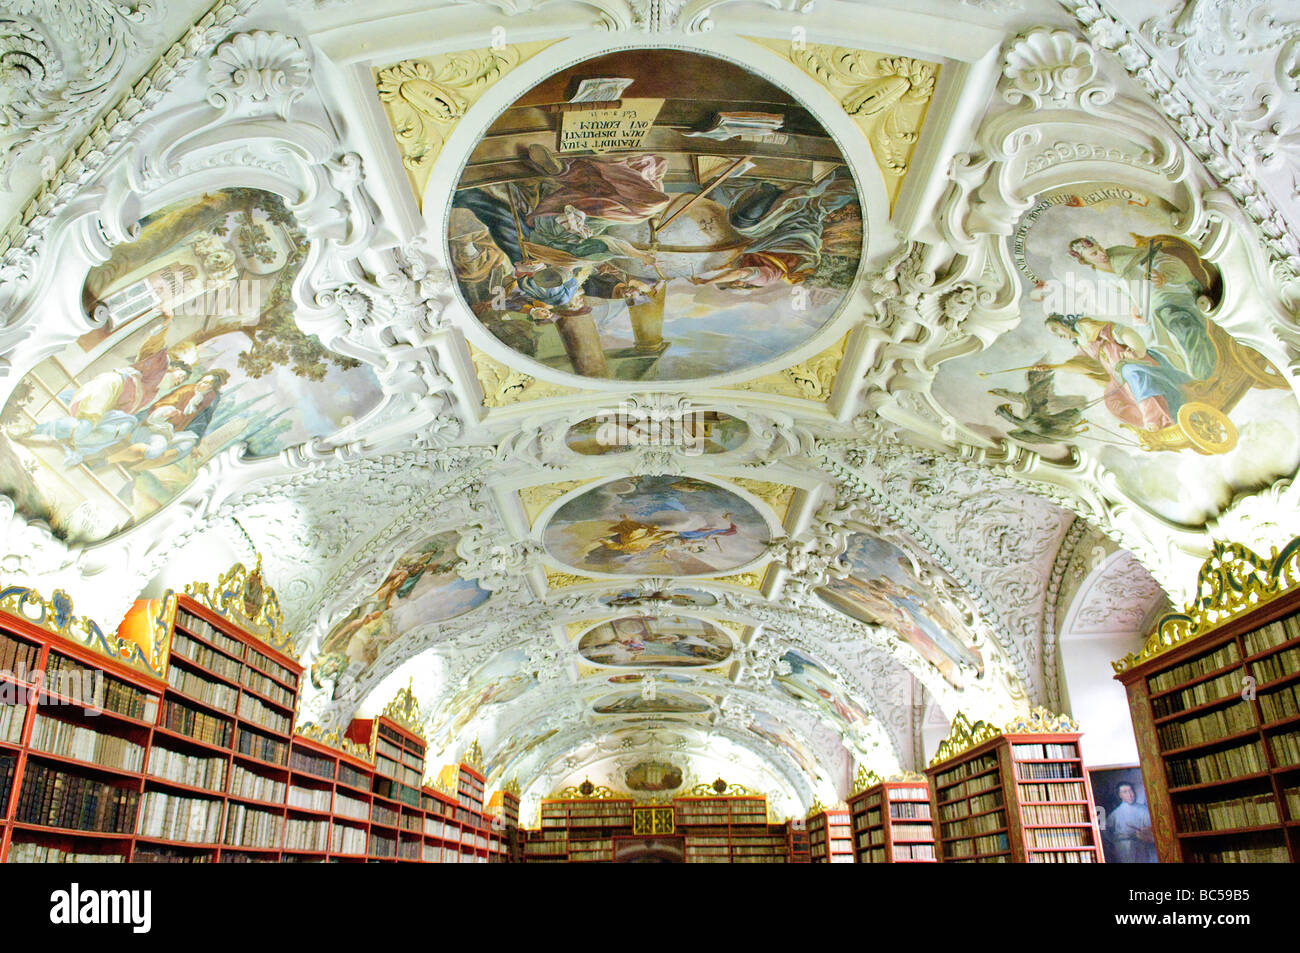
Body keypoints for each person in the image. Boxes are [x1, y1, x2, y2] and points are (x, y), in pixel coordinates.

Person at [1107, 781, 1157, 862]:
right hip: (1123, 849)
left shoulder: (1144, 809)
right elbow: (1107, 833)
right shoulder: (1115, 814)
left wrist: (1144, 832)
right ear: (1120, 795)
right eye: (1125, 792)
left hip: (1142, 847)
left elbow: (1152, 828)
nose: (1130, 794)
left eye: (1131, 791)